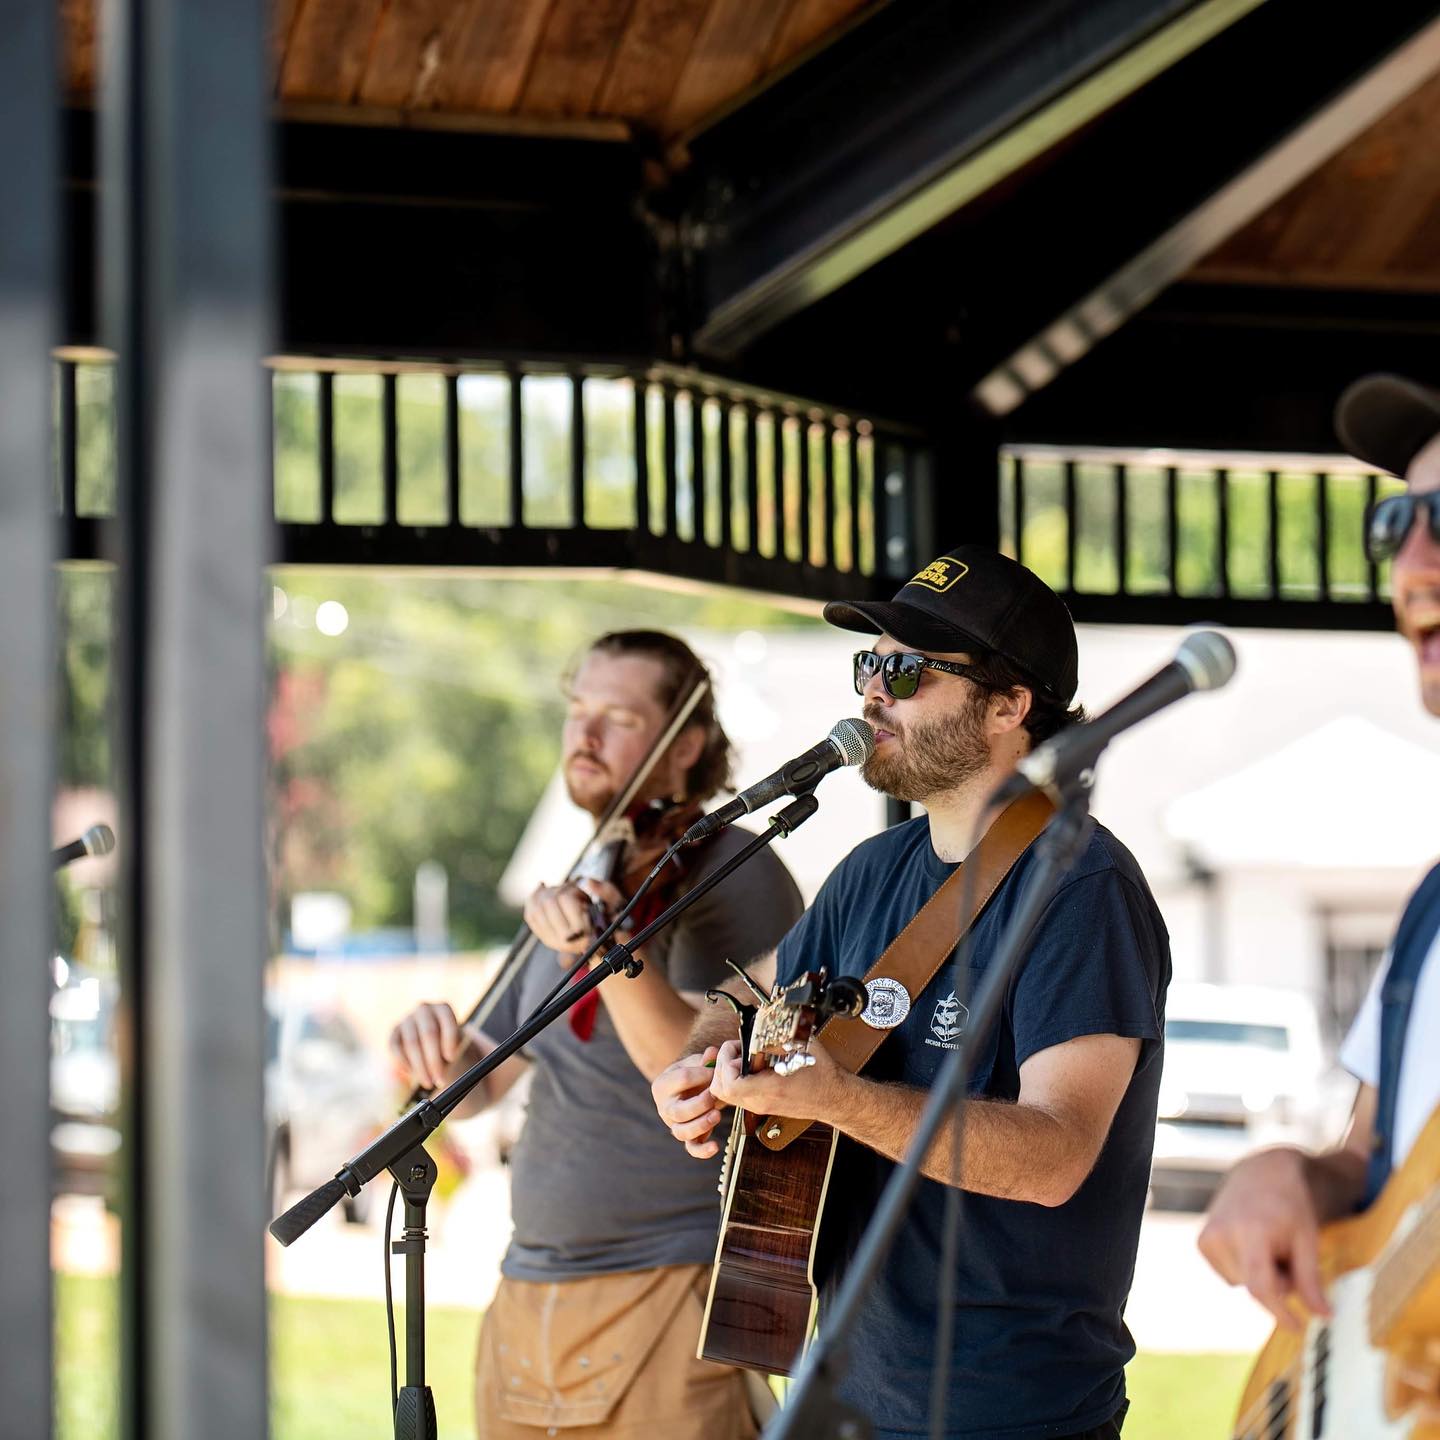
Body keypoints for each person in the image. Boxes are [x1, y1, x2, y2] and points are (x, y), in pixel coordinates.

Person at [653, 547, 1172, 1440]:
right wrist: (702, 1066)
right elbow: (746, 993)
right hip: (843, 1388)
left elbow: (1057, 1155)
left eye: (905, 669)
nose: (872, 694)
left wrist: (842, 1101)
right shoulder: (868, 873)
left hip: (1007, 1410)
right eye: (869, 663)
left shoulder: (1084, 887)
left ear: (1009, 706)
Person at [389, 629, 803, 1440]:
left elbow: (689, 1068)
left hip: (667, 1287)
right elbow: (488, 1077)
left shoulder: (732, 868)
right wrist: (440, 1049)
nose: (583, 736)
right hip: (530, 1287)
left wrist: (603, 948)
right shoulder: (587, 863)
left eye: (616, 717)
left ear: (685, 745)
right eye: (578, 711)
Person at [1199, 374, 1440, 1325]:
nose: (1414, 563)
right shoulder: (1431, 906)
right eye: (1397, 524)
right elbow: (1372, 1160)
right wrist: (1287, 1171)